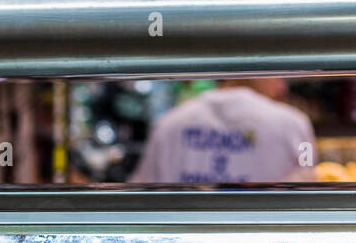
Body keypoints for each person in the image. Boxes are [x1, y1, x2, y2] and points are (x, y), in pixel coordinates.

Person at [129, 78, 316, 184]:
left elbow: (140, 198)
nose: (282, 87)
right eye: (277, 73)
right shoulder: (293, 124)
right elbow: (309, 196)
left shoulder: (168, 124)